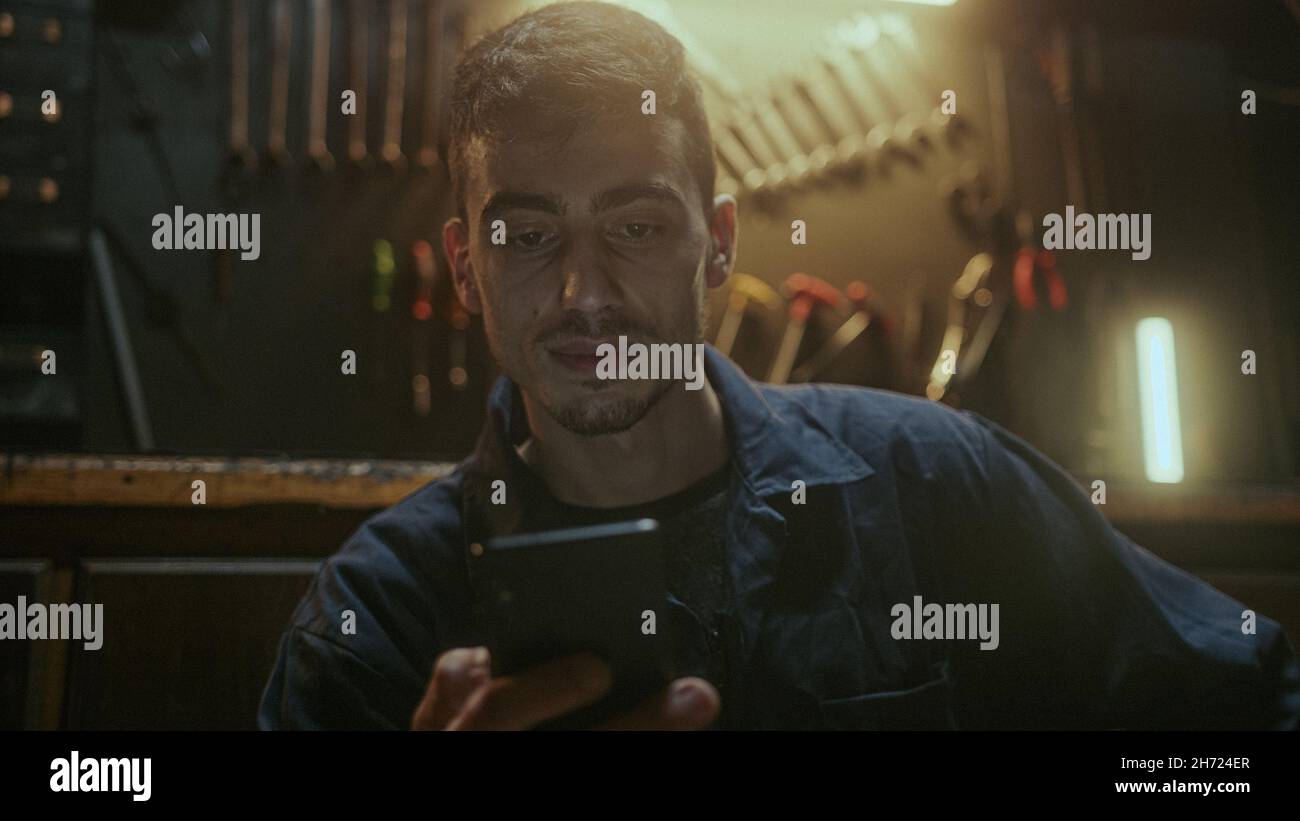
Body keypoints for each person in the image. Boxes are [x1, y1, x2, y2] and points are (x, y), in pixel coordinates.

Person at [259, 1, 1300, 731]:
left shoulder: (935, 485)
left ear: (717, 243)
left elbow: (1246, 704)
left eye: (632, 224)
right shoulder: (376, 618)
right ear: (464, 268)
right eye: (527, 236)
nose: (583, 292)